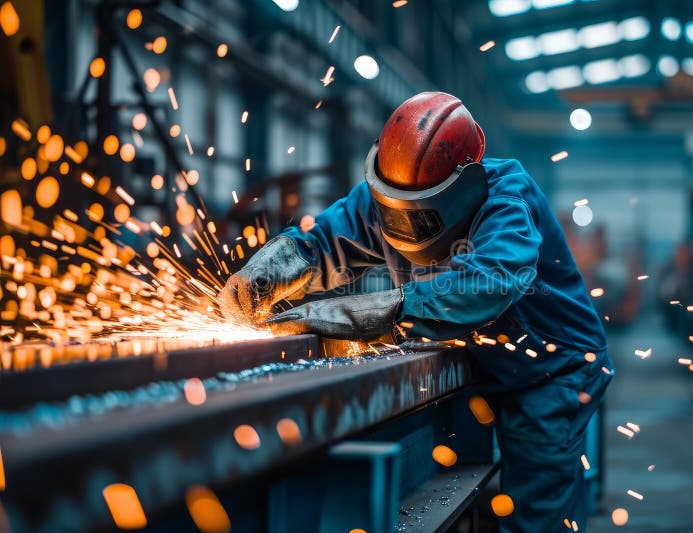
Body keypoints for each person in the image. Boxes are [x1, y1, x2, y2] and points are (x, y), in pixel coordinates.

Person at [219, 91, 613, 532]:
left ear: (464, 184)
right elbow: (324, 241)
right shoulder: (382, 200)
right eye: (392, 206)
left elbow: (492, 280)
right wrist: (275, 265)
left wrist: (382, 310)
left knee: (536, 513)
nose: (401, 222)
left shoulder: (506, 197)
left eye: (419, 211)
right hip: (481, 361)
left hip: (551, 370)